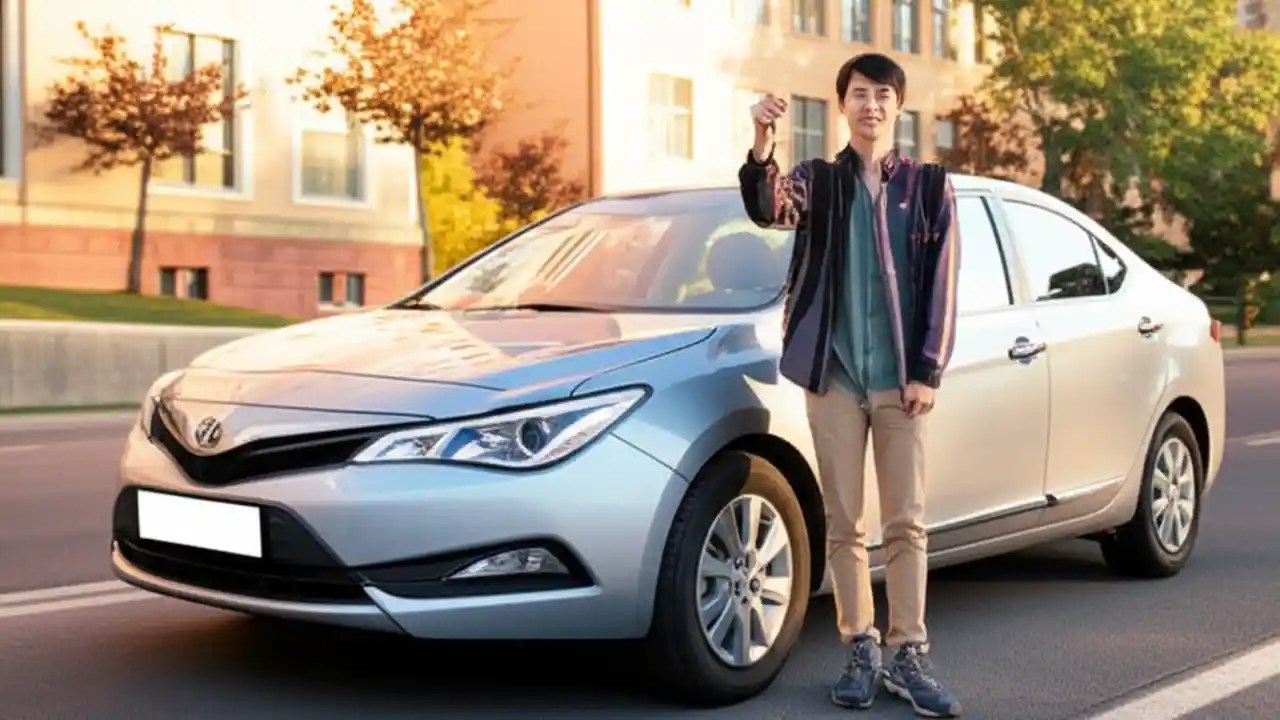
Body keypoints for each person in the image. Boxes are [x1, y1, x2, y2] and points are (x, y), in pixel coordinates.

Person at [737, 53, 962, 718]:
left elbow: (944, 282)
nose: (871, 105)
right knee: (844, 523)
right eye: (859, 94)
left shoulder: (927, 186)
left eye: (882, 95)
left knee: (907, 523)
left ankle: (908, 653)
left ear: (898, 107)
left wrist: (928, 368)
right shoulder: (817, 180)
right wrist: (761, 143)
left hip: (900, 381)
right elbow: (767, 208)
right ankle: (859, 647)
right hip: (832, 376)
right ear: (842, 106)